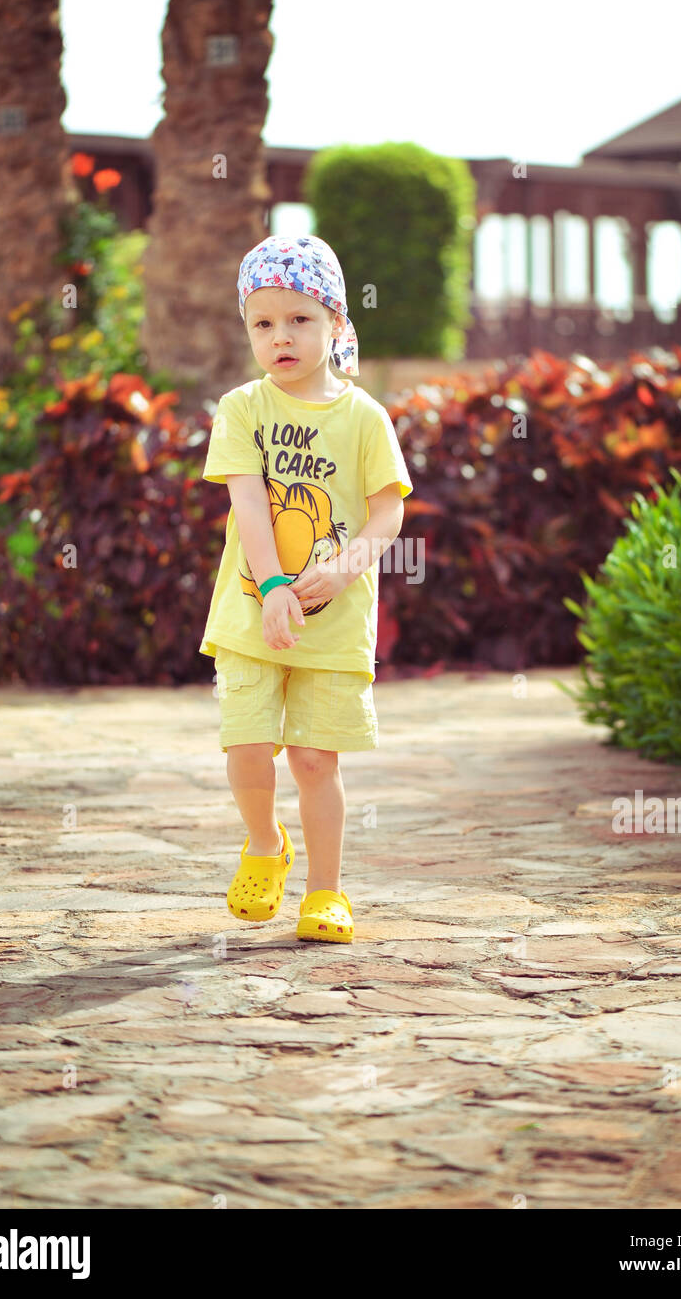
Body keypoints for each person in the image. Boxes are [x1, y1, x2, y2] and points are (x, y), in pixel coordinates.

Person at [199, 235, 413, 943]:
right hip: (252, 611)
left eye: (299, 320)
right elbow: (250, 503)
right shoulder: (241, 409)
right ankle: (265, 844)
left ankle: (326, 891)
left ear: (335, 327)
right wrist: (276, 587)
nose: (280, 337)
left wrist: (348, 565)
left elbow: (389, 510)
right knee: (248, 747)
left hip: (334, 619)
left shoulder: (363, 418)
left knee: (317, 759)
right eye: (262, 323)